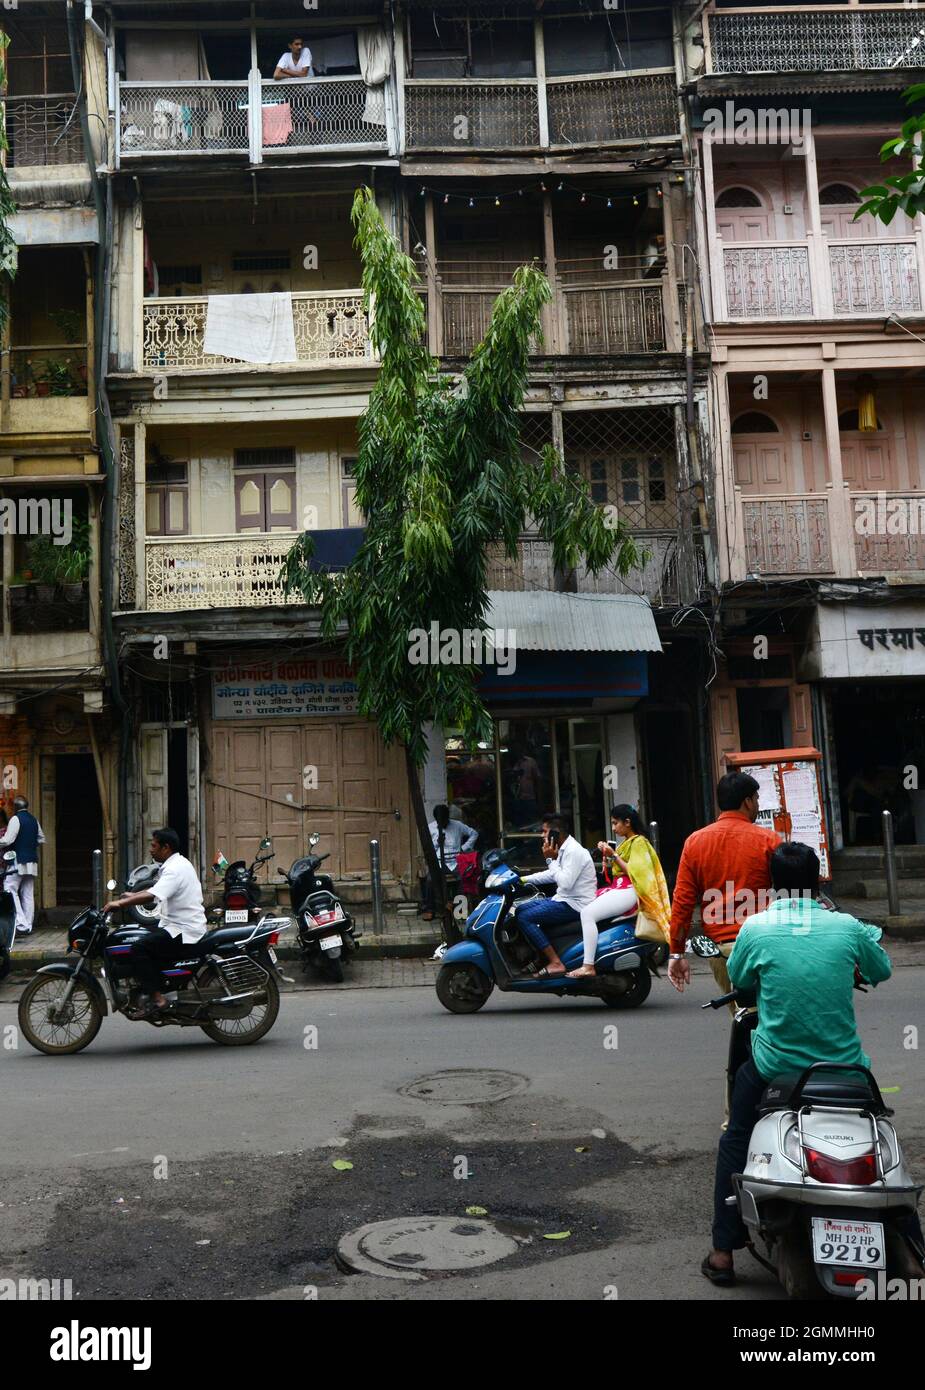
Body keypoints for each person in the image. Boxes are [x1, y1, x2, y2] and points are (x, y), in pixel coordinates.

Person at [703, 841, 924, 1286]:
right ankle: (912, 1245)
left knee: (737, 1136)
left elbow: (741, 979)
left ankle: (723, 1252)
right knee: (880, 1133)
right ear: (818, 880)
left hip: (775, 1068)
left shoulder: (756, 927)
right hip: (845, 1071)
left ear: (772, 884)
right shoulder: (847, 927)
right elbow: (880, 970)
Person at [667, 772, 780, 1003]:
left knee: (739, 1012)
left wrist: (676, 952)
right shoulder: (769, 840)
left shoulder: (695, 842)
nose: (757, 805)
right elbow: (788, 891)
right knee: (772, 1013)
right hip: (763, 944)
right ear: (747, 801)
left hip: (719, 949)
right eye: (756, 799)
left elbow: (682, 901)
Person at [103, 828, 207, 1018]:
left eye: (154, 845)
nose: (151, 849)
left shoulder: (175, 869)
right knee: (141, 935)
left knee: (139, 948)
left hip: (184, 929)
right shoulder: (176, 864)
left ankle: (158, 999)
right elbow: (158, 889)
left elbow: (152, 895)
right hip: (175, 924)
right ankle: (155, 985)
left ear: (165, 848)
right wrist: (132, 895)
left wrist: (120, 903)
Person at [568, 804, 671, 979]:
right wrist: (608, 854)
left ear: (627, 822)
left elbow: (634, 871)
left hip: (628, 890)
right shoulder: (627, 843)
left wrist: (613, 855)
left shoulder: (639, 842)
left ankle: (588, 966)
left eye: (616, 823)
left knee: (587, 914)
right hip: (619, 888)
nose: (614, 828)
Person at [516, 814, 597, 978]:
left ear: (555, 833)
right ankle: (541, 957)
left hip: (575, 905)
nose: (542, 835)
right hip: (563, 899)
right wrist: (522, 879)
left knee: (525, 917)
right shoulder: (563, 849)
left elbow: (565, 882)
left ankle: (555, 962)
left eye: (545, 831)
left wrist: (549, 860)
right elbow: (553, 874)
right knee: (519, 910)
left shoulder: (574, 851)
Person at [421, 804, 479, 920]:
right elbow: (428, 848)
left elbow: (474, 833)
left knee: (464, 878)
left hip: (455, 862)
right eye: (440, 822)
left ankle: (459, 908)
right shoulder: (431, 828)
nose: (443, 824)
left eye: (445, 821)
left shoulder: (457, 825)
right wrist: (437, 843)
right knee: (430, 880)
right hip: (439, 862)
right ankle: (430, 909)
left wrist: (464, 848)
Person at [0, 795, 46, 934]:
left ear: (15, 807)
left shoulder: (16, 819)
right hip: (32, 860)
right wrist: (29, 845)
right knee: (27, 893)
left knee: (9, 889)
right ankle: (28, 925)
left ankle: (21, 923)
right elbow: (41, 838)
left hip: (18, 860)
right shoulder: (33, 819)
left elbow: (7, 840)